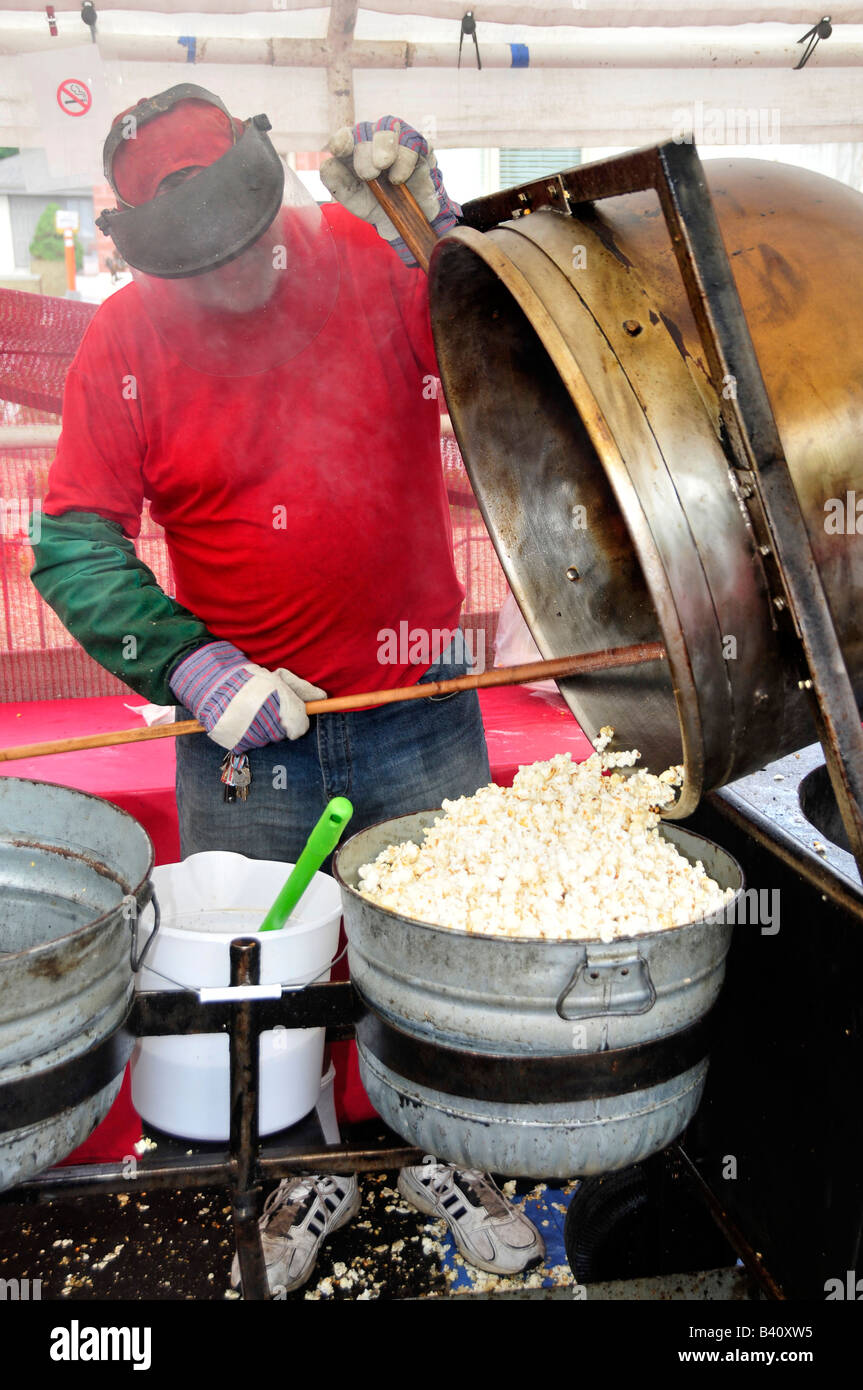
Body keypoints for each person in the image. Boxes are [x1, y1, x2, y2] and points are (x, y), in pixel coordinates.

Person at [30, 83, 544, 1295]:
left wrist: (436, 219)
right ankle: (291, 1170)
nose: (241, 271)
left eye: (250, 235)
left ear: (271, 192)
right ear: (158, 256)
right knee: (261, 988)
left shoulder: (362, 252)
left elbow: (497, 345)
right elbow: (74, 542)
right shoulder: (127, 341)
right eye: (203, 260)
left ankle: (445, 1156)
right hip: (246, 748)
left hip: (419, 706)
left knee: (440, 964)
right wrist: (198, 672)